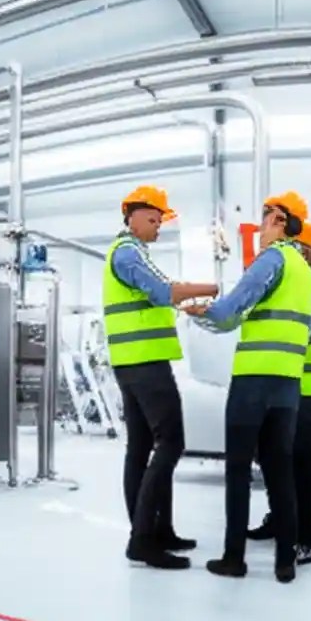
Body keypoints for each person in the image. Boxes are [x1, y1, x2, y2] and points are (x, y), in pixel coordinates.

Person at [185, 191, 311, 584]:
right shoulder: (306, 273)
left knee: (239, 469)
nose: (259, 229)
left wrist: (199, 313)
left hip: (253, 382)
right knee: (280, 472)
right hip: (288, 384)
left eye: (263, 220)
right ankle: (285, 563)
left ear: (278, 219)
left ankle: (233, 558)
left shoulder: (271, 260)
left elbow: (229, 311)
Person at [104, 185, 219, 570]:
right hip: (145, 363)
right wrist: (218, 288)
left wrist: (190, 304)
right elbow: (160, 291)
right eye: (153, 220)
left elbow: (157, 297)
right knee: (170, 442)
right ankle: (142, 539)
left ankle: (159, 531)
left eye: (160, 221)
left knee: (141, 447)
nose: (157, 227)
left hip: (132, 361)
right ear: (132, 216)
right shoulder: (128, 252)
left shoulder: (131, 253)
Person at [248, 222, 311, 565]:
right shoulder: (299, 280)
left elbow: (303, 325)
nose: (295, 255)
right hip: (288, 383)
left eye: (302, 249)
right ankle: (282, 518)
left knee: (306, 456)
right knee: (275, 454)